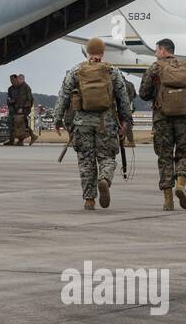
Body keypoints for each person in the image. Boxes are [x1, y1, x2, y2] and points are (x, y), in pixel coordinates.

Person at [52, 38, 133, 210]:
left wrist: (57, 119)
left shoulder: (76, 71)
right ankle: (104, 179)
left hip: (82, 124)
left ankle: (89, 199)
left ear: (87, 52)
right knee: (107, 158)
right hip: (107, 123)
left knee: (86, 162)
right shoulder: (112, 71)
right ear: (102, 52)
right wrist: (126, 121)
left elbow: (63, 95)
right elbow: (123, 98)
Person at [137, 38, 186, 210]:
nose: (155, 53)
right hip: (184, 117)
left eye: (157, 50)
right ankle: (181, 184)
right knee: (184, 153)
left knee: (164, 156)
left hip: (162, 118)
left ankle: (168, 199)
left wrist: (157, 93)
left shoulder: (154, 68)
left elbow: (143, 93)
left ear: (163, 50)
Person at [10, 74, 37, 145]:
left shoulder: (25, 87)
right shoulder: (21, 87)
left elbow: (26, 99)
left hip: (25, 108)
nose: (17, 81)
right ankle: (29, 137)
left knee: (21, 123)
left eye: (18, 79)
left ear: (22, 79)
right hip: (22, 107)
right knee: (22, 123)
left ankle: (28, 137)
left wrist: (21, 108)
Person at [4, 75, 20, 145]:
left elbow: (20, 99)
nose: (11, 81)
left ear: (16, 79)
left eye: (12, 80)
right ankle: (11, 140)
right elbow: (9, 99)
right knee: (10, 125)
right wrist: (11, 101)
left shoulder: (21, 88)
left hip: (19, 110)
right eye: (10, 80)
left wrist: (13, 101)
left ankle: (20, 140)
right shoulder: (10, 89)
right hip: (11, 110)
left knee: (19, 126)